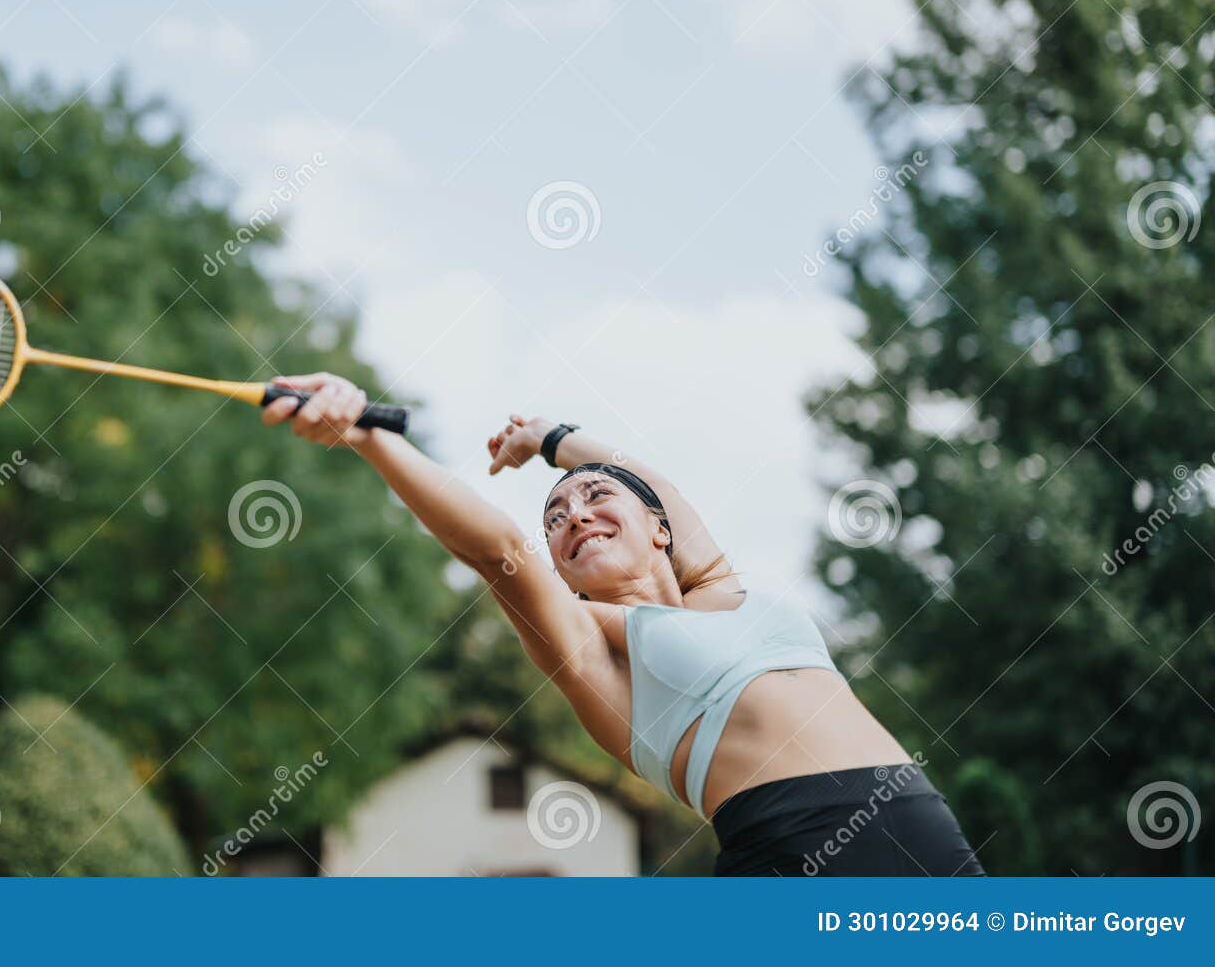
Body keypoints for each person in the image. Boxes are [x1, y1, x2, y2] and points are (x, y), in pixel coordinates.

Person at [263, 372, 985, 876]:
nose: (574, 514)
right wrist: (364, 433)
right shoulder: (598, 654)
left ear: (660, 530)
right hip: (792, 851)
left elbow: (653, 482)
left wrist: (548, 438)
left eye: (596, 496)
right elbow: (498, 550)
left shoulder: (720, 584)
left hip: (918, 818)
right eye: (556, 519)